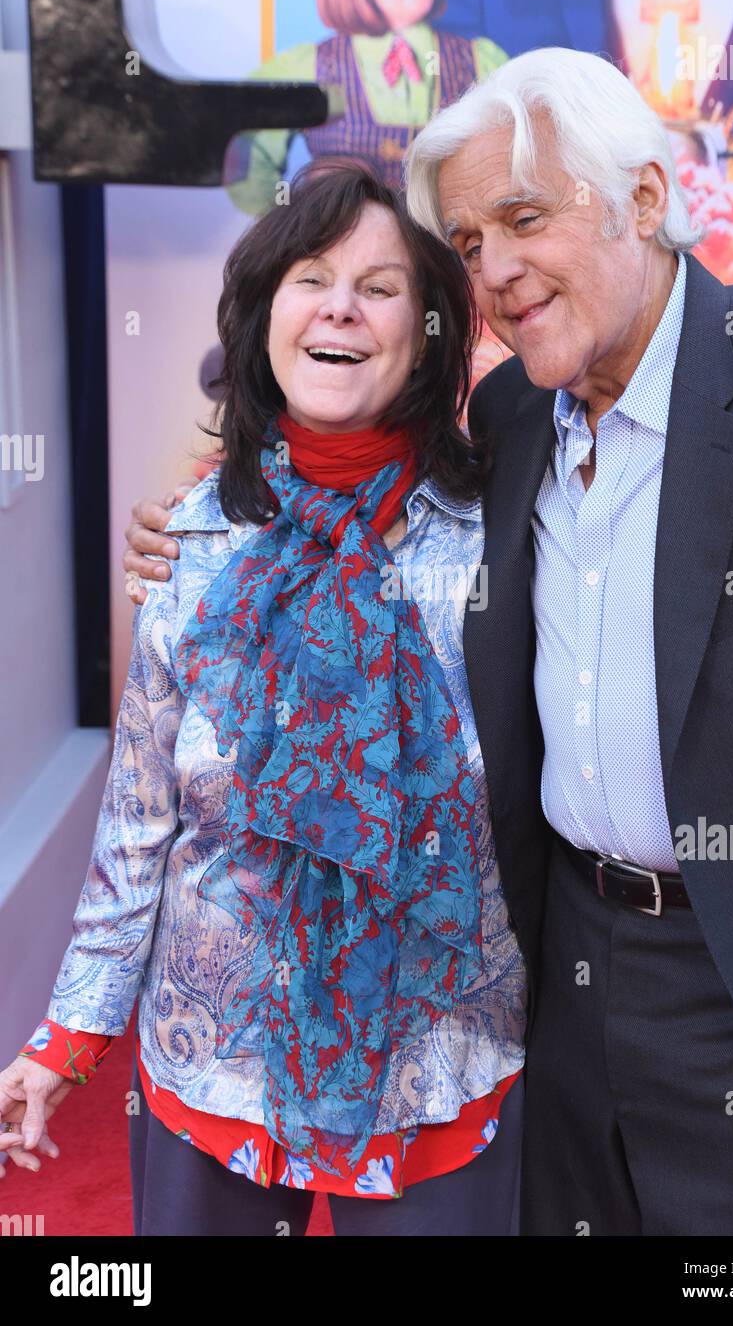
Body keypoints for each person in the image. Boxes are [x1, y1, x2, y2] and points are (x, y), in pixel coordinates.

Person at [120, 47, 733, 1237]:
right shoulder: (512, 416)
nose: (499, 274)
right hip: (563, 980)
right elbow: (341, 520)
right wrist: (191, 533)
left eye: (524, 219)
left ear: (643, 199)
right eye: (469, 246)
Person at [0, 165, 526, 1237]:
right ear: (265, 315)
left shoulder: (500, 533)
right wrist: (68, 1034)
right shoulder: (191, 543)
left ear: (427, 333)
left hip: (441, 1057)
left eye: (378, 287)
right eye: (310, 277)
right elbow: (138, 827)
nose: (340, 306)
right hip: (218, 1059)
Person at [224, 0, 507, 212]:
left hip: (447, 256)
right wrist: (291, 232)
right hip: (350, 255)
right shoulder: (312, 66)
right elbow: (241, 147)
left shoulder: (480, 60)